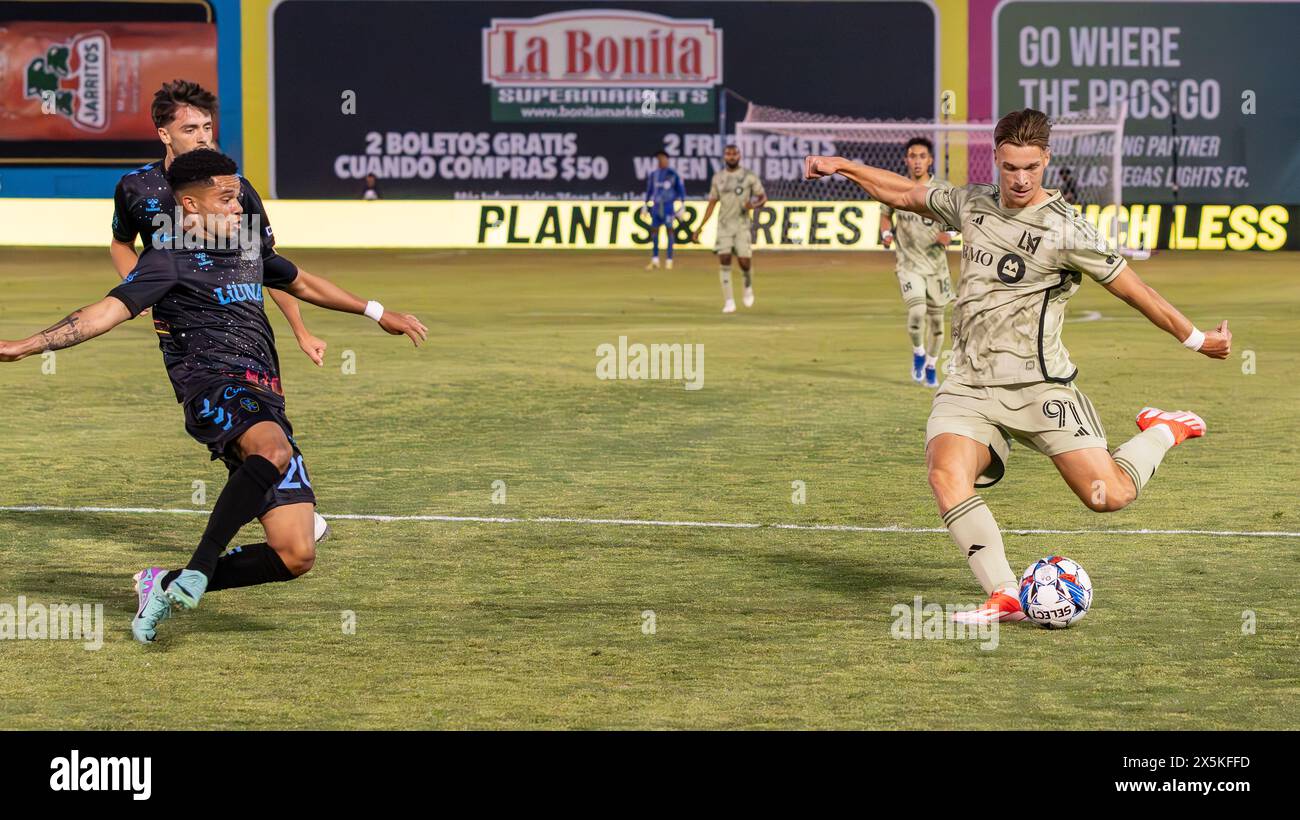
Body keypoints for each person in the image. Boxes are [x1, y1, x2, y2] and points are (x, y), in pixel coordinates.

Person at [805, 109, 1231, 623]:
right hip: (969, 384)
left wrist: (1197, 339)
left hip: (1039, 387)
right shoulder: (971, 204)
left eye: (1031, 166)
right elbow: (903, 194)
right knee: (945, 474)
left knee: (1107, 496)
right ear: (996, 158)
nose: (1021, 178)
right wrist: (841, 165)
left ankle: (1164, 430)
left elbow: (1135, 290)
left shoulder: (1069, 230)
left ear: (1046, 159)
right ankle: (1005, 593)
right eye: (1010, 167)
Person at [0, 149, 429, 643]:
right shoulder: (167, 260)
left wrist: (378, 312)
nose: (237, 205)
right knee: (272, 449)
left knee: (296, 553)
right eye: (226, 198)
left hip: (265, 398)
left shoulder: (248, 246)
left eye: (238, 196)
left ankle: (161, 582)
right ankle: (200, 566)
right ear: (190, 205)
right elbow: (105, 312)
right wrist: (26, 346)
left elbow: (301, 281)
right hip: (213, 389)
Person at [880, 137, 953, 387]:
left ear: (930, 160)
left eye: (922, 156)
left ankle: (931, 364)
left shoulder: (942, 189)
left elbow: (958, 220)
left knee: (937, 323)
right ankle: (918, 352)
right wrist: (886, 233)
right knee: (917, 311)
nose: (917, 161)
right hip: (908, 264)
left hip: (936, 266)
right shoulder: (896, 187)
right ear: (906, 160)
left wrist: (950, 234)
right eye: (913, 156)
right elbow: (885, 215)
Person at [692, 144, 767, 313]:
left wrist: (753, 205)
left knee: (744, 262)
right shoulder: (718, 178)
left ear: (739, 156)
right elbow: (712, 203)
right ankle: (729, 301)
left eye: (734, 154)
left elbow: (763, 198)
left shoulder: (749, 176)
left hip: (742, 225)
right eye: (728, 154)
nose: (731, 157)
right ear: (724, 157)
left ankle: (747, 286)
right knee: (724, 259)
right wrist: (700, 227)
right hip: (724, 226)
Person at [642, 151, 685, 269]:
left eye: (662, 159)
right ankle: (655, 260)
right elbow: (649, 190)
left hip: (668, 207)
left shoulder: (673, 174)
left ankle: (669, 260)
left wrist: (682, 205)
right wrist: (645, 205)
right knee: (654, 232)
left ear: (667, 160)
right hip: (656, 207)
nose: (660, 161)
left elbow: (680, 190)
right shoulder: (654, 175)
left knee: (669, 232)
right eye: (658, 159)